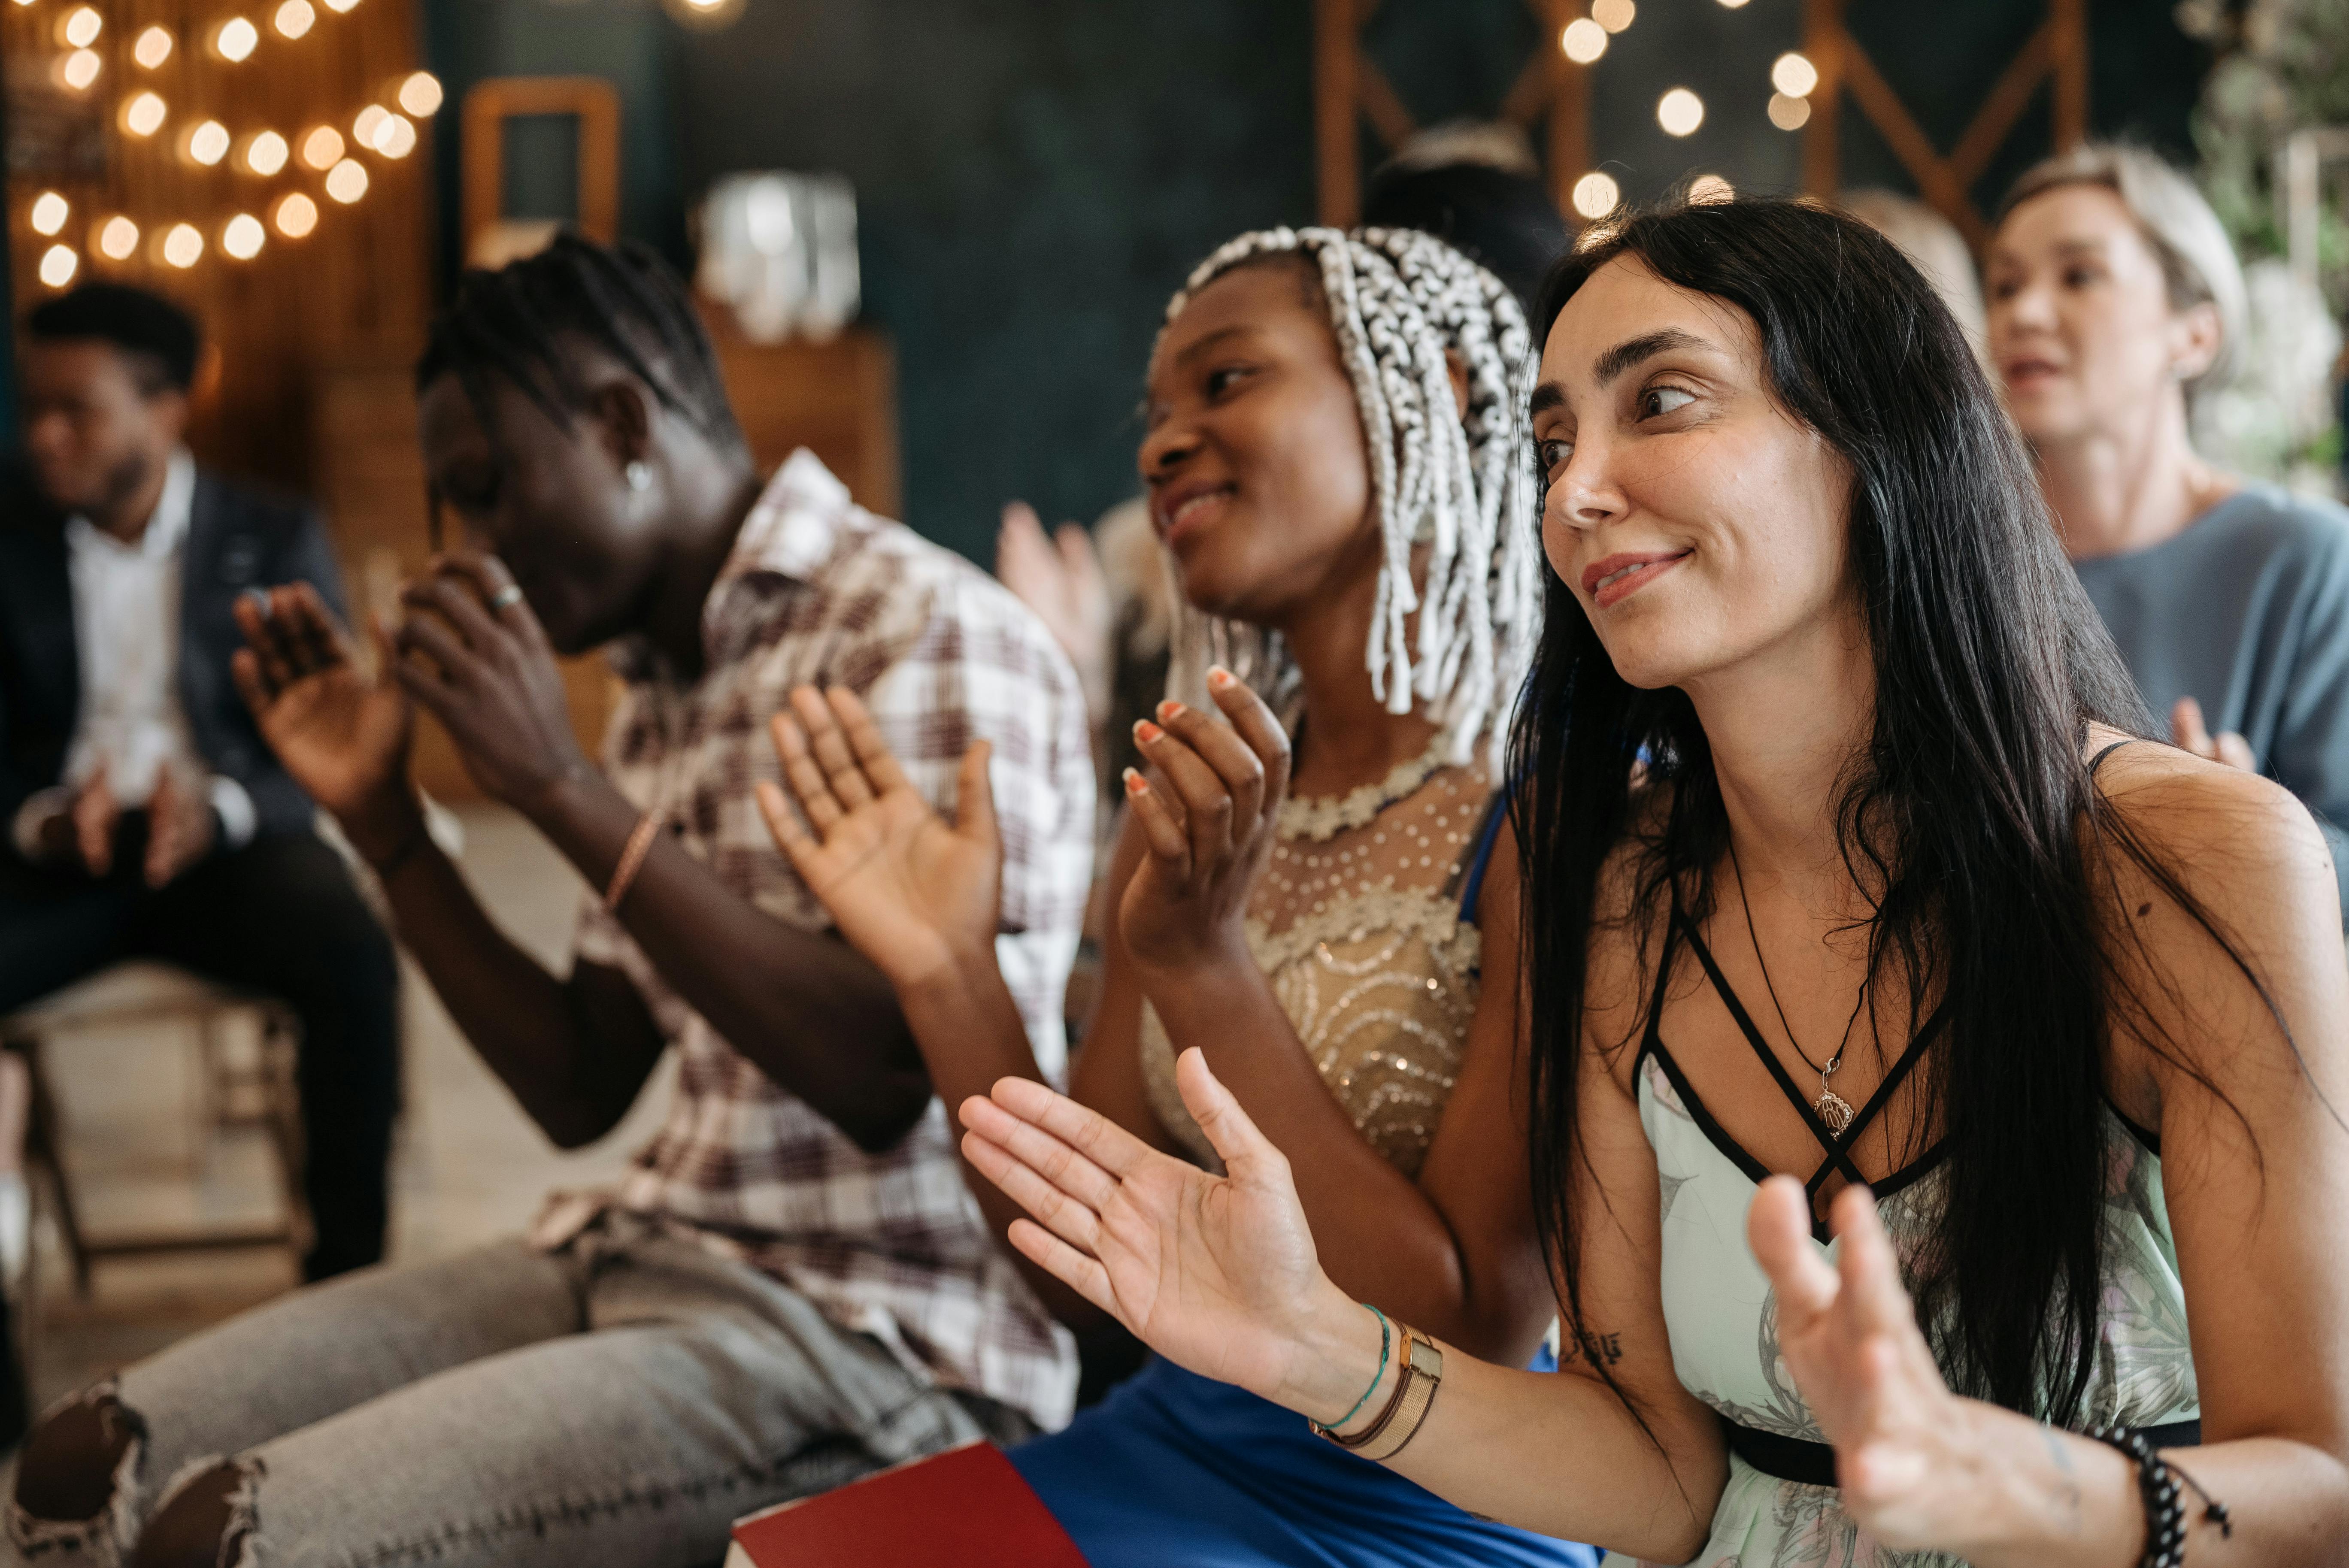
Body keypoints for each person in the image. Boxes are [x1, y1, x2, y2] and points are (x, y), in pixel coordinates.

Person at [956, 196, 2349, 1565]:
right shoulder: (1623, 888)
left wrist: (2011, 1486)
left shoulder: (2190, 857)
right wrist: (1315, 1346)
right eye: (1553, 441)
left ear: (1877, 434)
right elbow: (1660, 1472)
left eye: (1662, 401)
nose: (1573, 493)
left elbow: (2319, 1490)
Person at [3, 236, 1093, 1568]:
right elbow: (581, 1078)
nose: (475, 549)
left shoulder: (921, 629)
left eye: (488, 491)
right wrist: (385, 824)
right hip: (644, 1248)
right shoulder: (659, 680)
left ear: (624, 425)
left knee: (229, 1540)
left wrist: (560, 786)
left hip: (879, 1340)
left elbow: (882, 1080)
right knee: (80, 1462)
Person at [758, 226, 1597, 1566]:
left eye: (1226, 381)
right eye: (1153, 415)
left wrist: (1203, 965)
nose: (1160, 446)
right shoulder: (1198, 797)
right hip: (1169, 1438)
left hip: (1420, 1514)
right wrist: (948, 972)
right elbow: (1086, 1284)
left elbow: (1469, 1330)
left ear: (1431, 391)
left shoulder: (1552, 812)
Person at [0, 284, 400, 1285]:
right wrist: (47, 820)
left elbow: (317, 743)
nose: (43, 436)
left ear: (167, 407)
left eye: (76, 411)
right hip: (54, 861)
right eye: (34, 407)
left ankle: (347, 1283)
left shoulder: (274, 533)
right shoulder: (6, 535)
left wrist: (216, 812)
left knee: (353, 951)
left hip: (231, 852)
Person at [1988, 143, 2349, 918]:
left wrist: (2246, 827)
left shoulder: (2309, 561)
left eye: (2078, 275)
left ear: (2194, 336)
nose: (2023, 313)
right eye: (2005, 285)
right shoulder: (1959, 562)